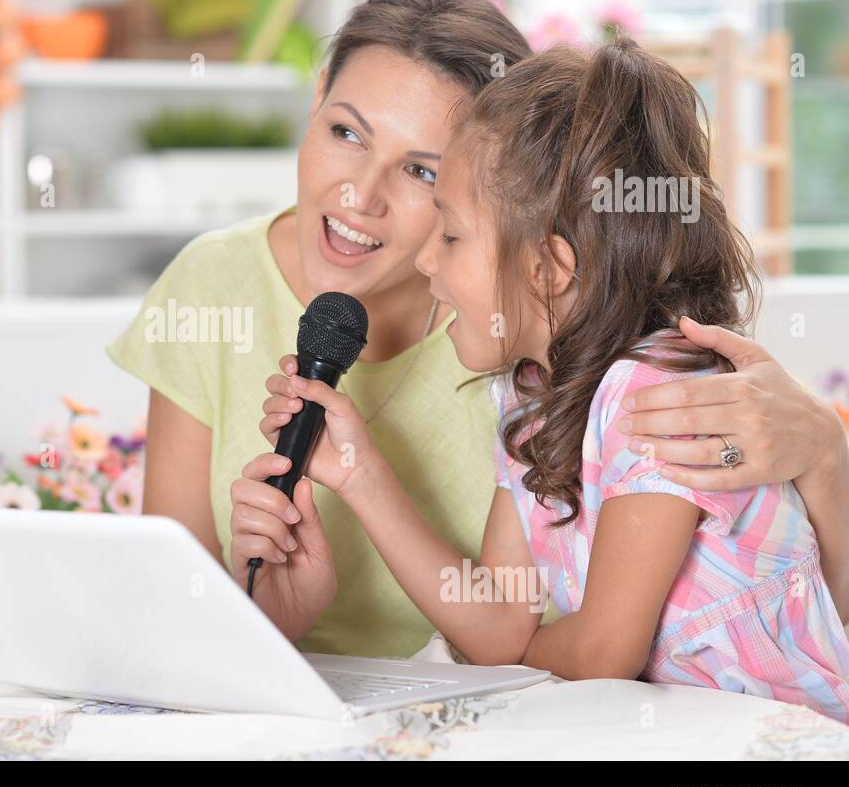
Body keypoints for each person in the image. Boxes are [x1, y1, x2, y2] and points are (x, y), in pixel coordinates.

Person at [106, 0, 849, 659]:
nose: (361, 195)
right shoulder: (522, 387)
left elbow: (584, 648)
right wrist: (277, 597)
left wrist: (824, 454)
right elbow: (504, 620)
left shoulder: (563, 369)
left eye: (424, 173)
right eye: (346, 131)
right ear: (316, 99)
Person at [242, 38, 849, 720]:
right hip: (687, 730)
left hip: (793, 732)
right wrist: (360, 474)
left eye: (451, 235)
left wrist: (519, 658)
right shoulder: (528, 400)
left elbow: (600, 652)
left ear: (550, 268)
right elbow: (500, 621)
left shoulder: (654, 393)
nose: (426, 265)